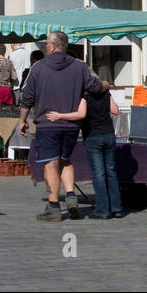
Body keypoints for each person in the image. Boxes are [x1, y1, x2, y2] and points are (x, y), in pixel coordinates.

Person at [18, 31, 102, 221]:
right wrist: (104, 84)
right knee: (66, 159)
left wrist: (22, 120)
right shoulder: (79, 66)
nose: (45, 46)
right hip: (71, 125)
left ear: (54, 45)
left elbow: (27, 97)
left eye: (47, 43)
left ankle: (54, 206)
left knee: (51, 163)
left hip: (48, 123)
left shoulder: (38, 67)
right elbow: (94, 86)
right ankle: (71, 195)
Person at [50, 80, 124, 219]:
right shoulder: (105, 92)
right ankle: (117, 207)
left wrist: (60, 116)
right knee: (111, 171)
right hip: (108, 133)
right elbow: (115, 110)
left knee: (98, 174)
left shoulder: (85, 96)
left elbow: (81, 114)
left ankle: (103, 209)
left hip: (93, 135)